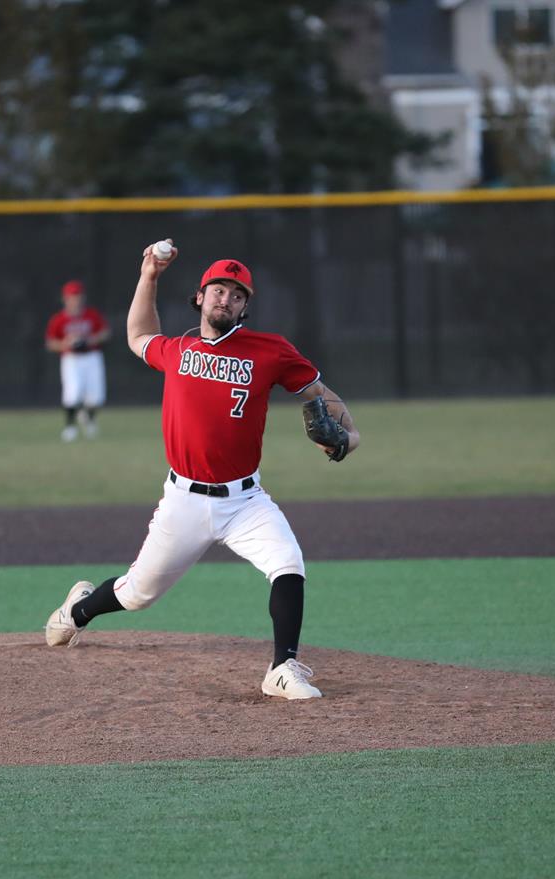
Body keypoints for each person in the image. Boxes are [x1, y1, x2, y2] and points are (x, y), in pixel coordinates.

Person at [44, 241, 360, 700]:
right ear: (199, 297)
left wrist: (351, 437)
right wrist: (149, 274)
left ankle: (282, 666)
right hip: (184, 501)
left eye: (236, 294)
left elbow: (321, 395)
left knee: (288, 563)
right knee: (138, 594)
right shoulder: (178, 348)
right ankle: (77, 611)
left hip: (246, 500)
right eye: (218, 290)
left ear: (245, 307)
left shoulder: (270, 350)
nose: (225, 299)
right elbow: (136, 336)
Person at [44, 279, 110, 441]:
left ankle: (88, 417)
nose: (76, 300)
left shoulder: (91, 315)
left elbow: (105, 333)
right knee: (72, 394)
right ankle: (70, 427)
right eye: (72, 296)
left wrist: (89, 340)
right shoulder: (59, 319)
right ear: (65, 299)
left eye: (78, 296)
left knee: (96, 396)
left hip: (92, 356)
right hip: (71, 358)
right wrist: (65, 343)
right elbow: (50, 343)